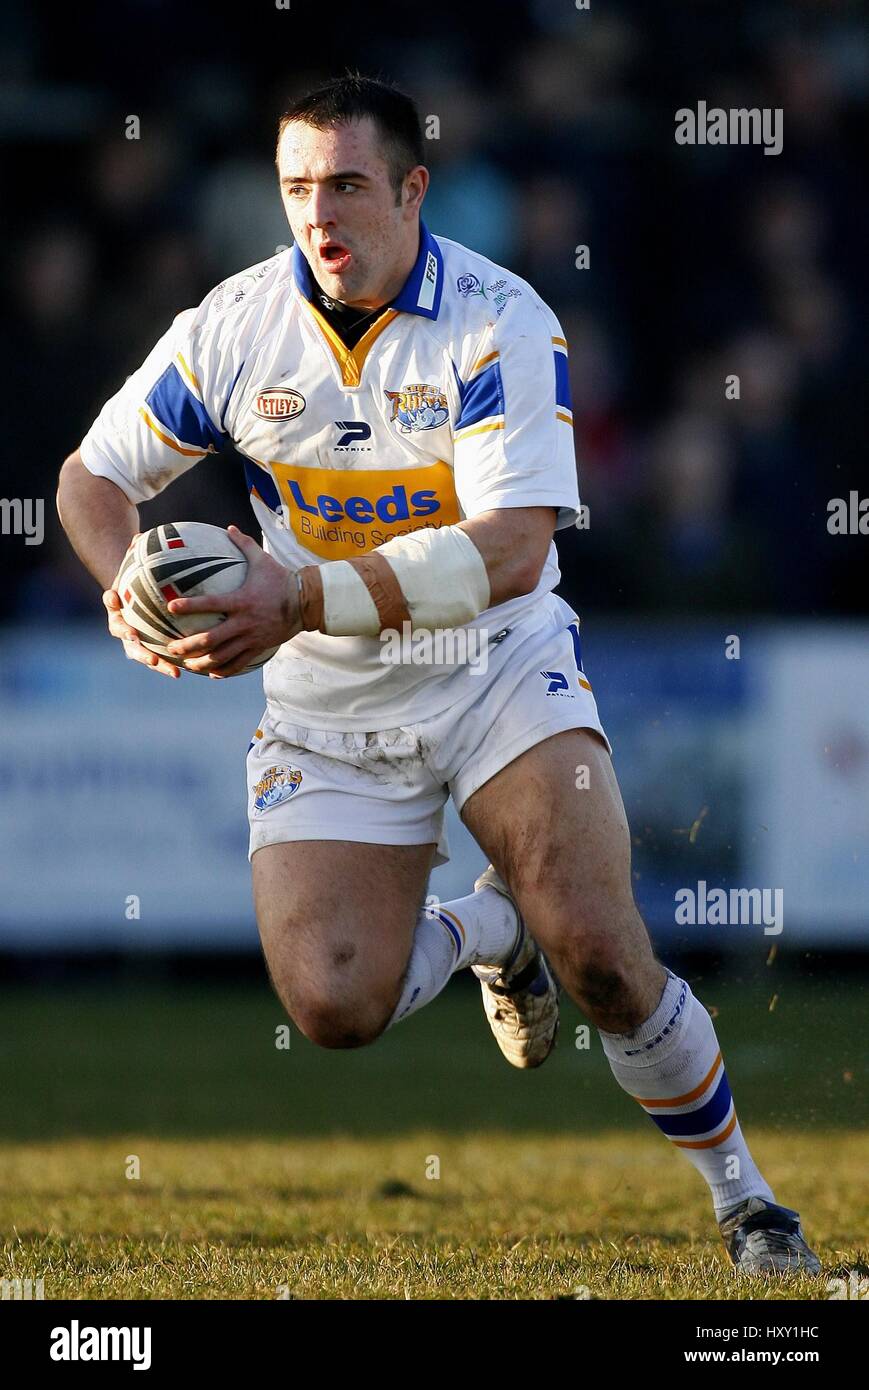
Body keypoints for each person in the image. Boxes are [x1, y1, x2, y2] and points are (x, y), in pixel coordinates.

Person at [57, 73, 819, 1278]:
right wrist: (126, 597)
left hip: (492, 668)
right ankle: (481, 929)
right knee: (332, 1007)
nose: (321, 215)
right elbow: (90, 481)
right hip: (325, 703)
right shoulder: (233, 325)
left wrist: (294, 594)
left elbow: (515, 550)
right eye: (298, 188)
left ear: (414, 191)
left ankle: (747, 1202)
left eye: (349, 186)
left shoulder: (496, 319)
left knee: (606, 957)